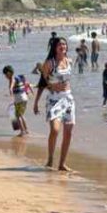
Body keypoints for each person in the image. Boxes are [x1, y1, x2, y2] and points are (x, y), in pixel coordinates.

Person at [34, 36, 75, 171]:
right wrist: (51, 88)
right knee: (55, 130)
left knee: (68, 132)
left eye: (64, 44)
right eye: (60, 44)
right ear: (55, 48)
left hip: (68, 100)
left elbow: (67, 81)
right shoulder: (50, 63)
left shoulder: (69, 61)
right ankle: (50, 158)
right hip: (54, 100)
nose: (63, 46)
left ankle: (62, 164)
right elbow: (42, 83)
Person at [3, 66, 30, 135]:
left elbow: (12, 85)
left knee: (17, 116)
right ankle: (26, 130)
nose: (5, 76)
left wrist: (10, 90)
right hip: (24, 98)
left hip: (20, 99)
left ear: (9, 73)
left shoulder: (12, 79)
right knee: (21, 115)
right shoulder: (19, 77)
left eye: (5, 74)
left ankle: (22, 131)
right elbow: (26, 84)